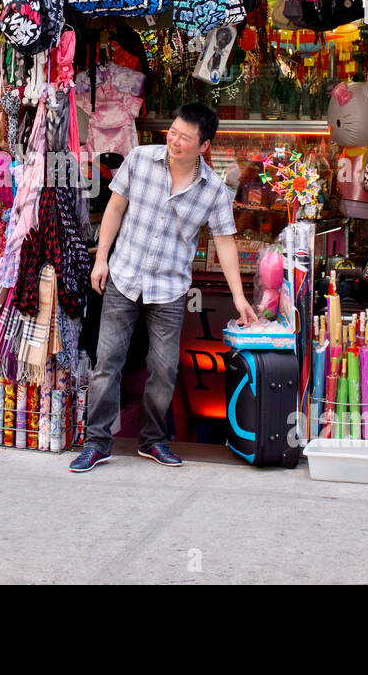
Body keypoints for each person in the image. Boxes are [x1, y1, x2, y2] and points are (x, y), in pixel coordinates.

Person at [70, 103, 259, 473]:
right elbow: (114, 209)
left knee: (165, 368)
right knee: (107, 364)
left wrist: (239, 297)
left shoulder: (213, 190)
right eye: (173, 131)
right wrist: (101, 257)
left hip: (170, 289)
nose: (174, 140)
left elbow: (224, 241)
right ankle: (96, 442)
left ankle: (153, 440)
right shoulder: (140, 159)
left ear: (203, 145)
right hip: (124, 276)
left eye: (185, 137)